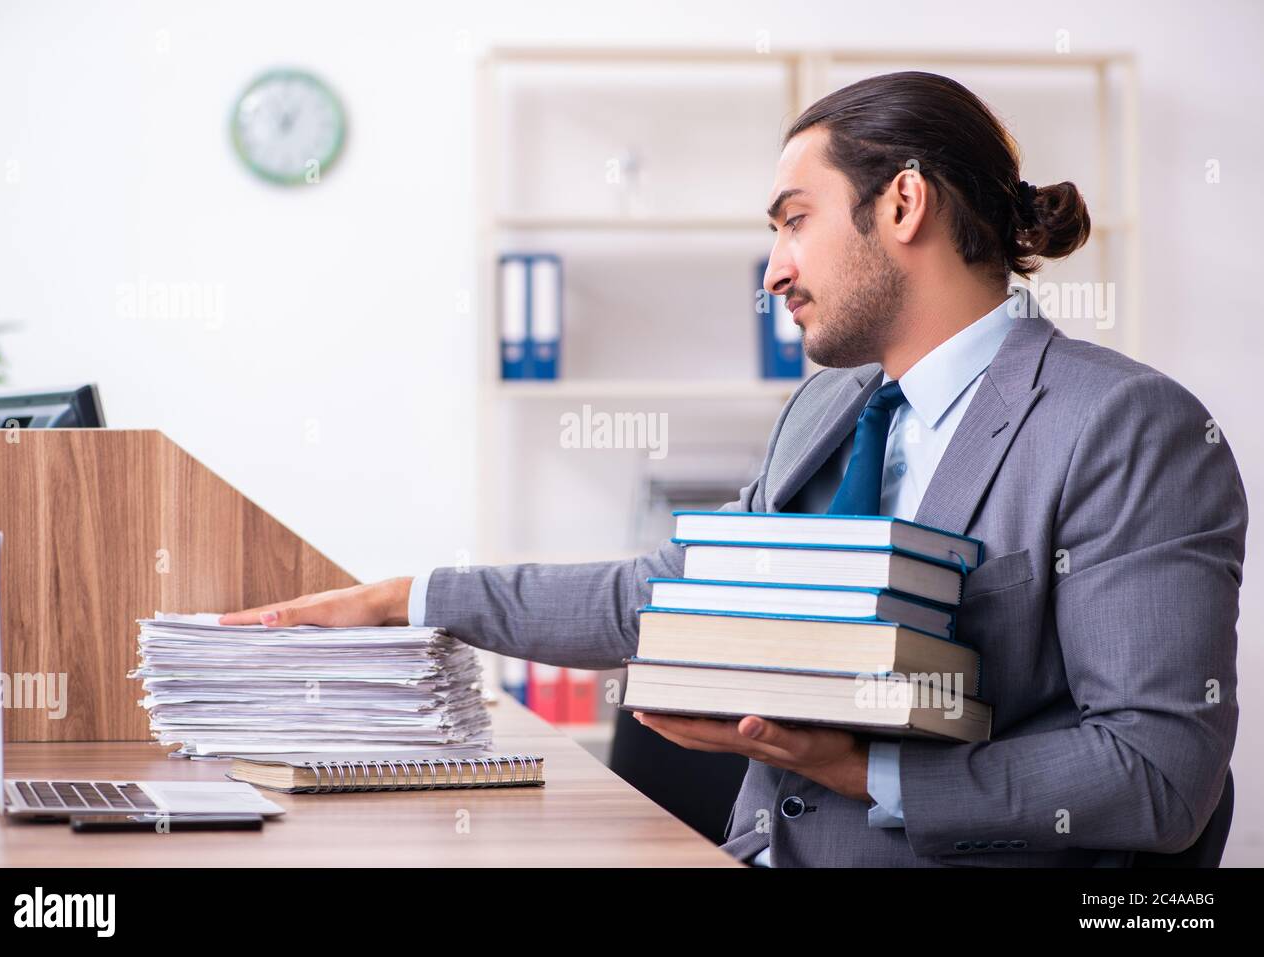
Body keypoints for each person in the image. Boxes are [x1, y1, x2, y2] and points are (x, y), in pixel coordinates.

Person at [221, 71, 1247, 867]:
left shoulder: (1122, 427)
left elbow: (1157, 774)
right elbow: (667, 598)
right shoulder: (829, 409)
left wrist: (859, 770)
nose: (773, 272)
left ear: (901, 205)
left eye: (792, 219)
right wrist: (417, 598)